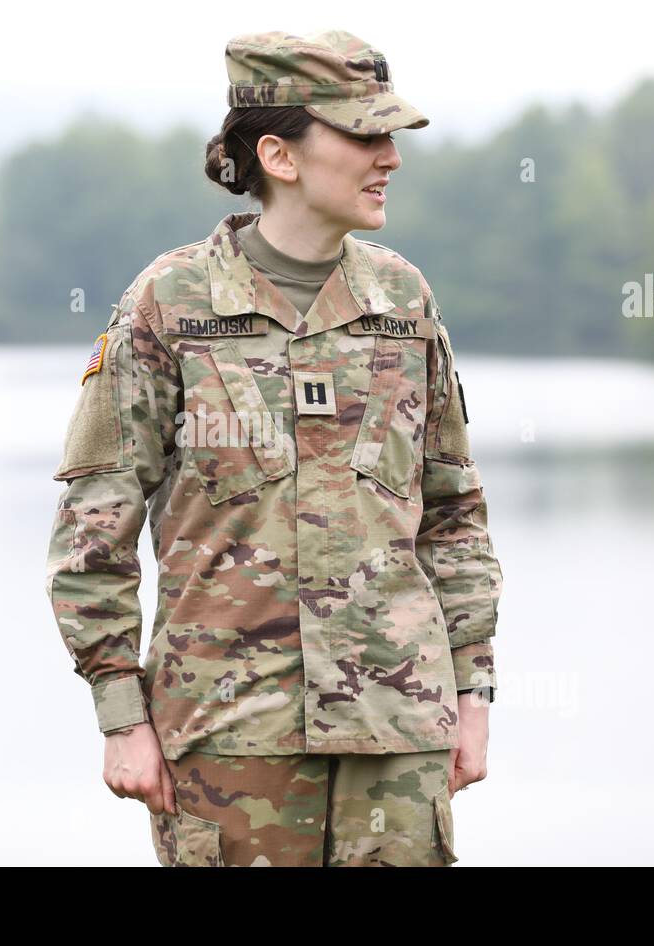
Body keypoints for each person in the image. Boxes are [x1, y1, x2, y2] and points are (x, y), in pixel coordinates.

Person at [44, 29, 503, 866]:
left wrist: (472, 695)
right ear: (279, 155)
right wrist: (120, 716)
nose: (390, 157)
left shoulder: (403, 300)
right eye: (364, 135)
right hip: (228, 740)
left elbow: (454, 515)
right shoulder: (168, 306)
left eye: (390, 135)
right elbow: (91, 533)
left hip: (397, 736)